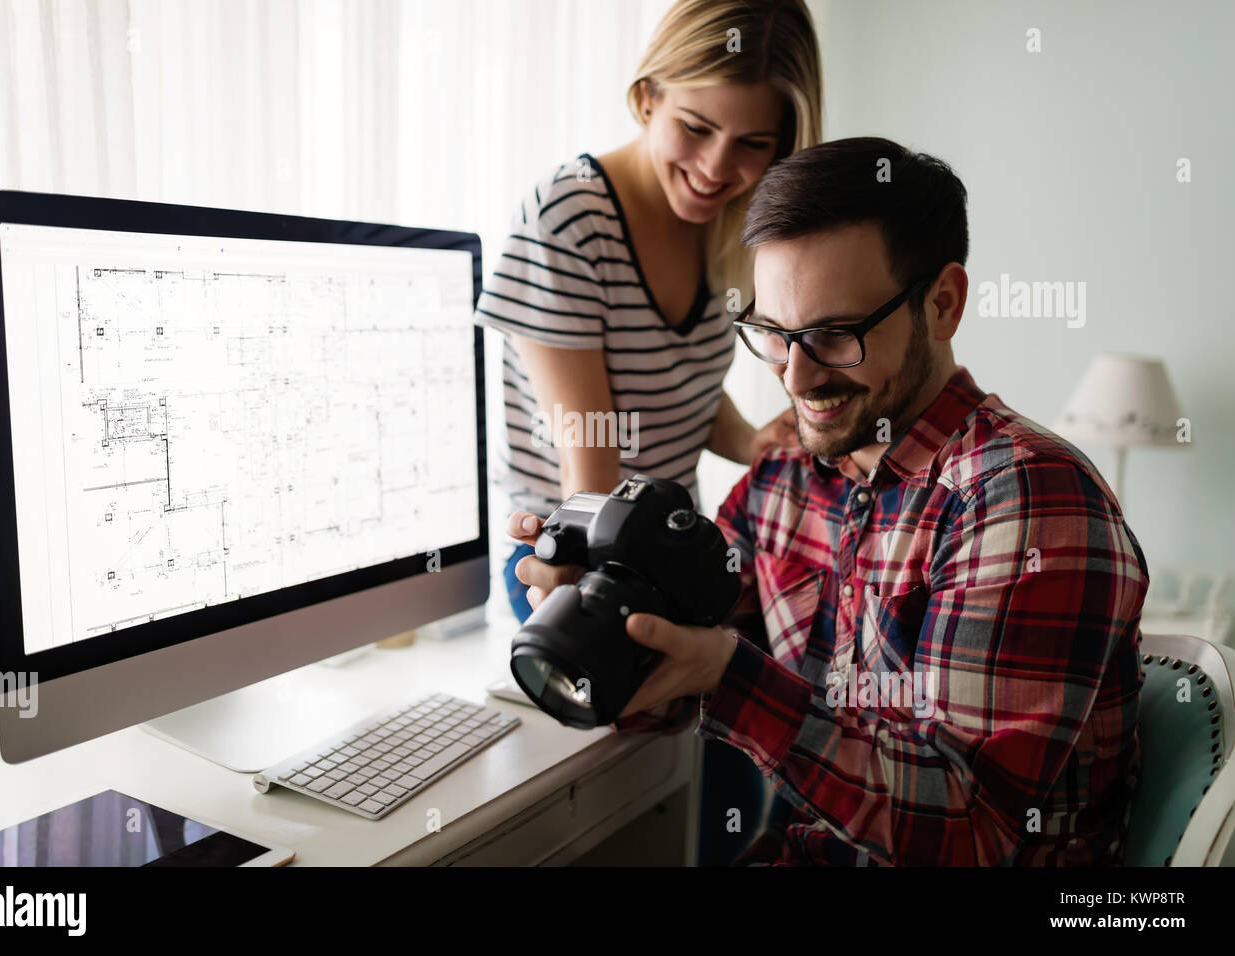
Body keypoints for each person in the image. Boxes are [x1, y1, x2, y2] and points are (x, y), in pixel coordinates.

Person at [507, 137, 1148, 866]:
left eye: (833, 335)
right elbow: (690, 655)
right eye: (774, 335)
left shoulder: (1026, 502)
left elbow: (976, 833)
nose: (797, 377)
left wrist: (728, 676)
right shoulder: (784, 478)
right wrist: (610, 621)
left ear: (942, 304)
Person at [474, 0, 822, 624]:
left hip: (661, 544)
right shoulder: (570, 218)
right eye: (694, 127)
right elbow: (591, 458)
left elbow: (676, 385)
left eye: (752, 144)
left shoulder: (727, 223)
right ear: (645, 99)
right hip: (570, 552)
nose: (716, 169)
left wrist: (748, 439)